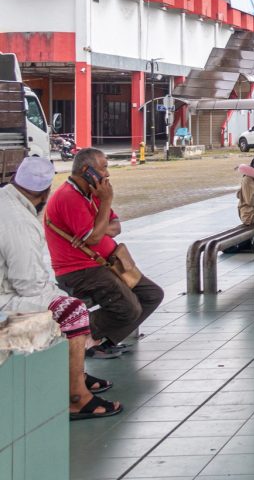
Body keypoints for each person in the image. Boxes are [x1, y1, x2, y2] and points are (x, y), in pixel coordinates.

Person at [0, 157, 122, 420]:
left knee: (62, 298)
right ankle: (76, 397)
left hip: (9, 290)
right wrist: (55, 295)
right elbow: (28, 284)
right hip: (5, 299)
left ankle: (76, 373)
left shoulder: (8, 202)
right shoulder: (18, 221)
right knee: (73, 310)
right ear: (45, 192)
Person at [44, 148, 164, 359]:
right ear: (86, 170)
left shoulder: (94, 192)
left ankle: (101, 340)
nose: (107, 174)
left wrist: (98, 227)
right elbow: (93, 239)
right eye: (104, 167)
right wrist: (106, 203)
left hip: (109, 262)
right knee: (129, 308)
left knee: (152, 295)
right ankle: (72, 333)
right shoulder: (69, 197)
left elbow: (115, 226)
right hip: (80, 270)